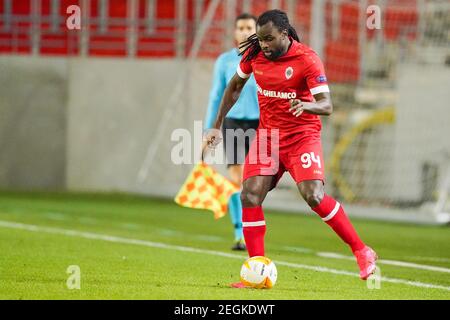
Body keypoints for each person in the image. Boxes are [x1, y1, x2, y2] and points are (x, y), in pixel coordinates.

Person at [204, 9, 378, 286]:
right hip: (267, 137)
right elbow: (234, 86)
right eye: (260, 39)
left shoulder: (307, 59)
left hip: (302, 136)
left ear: (285, 34)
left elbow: (327, 105)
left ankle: (361, 250)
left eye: (269, 38)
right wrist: (216, 124)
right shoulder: (254, 54)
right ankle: (255, 270)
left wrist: (307, 104)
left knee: (314, 196)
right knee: (248, 195)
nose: (264, 45)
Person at [203, 13, 260, 251]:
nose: (245, 32)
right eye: (241, 27)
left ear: (257, 31)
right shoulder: (225, 61)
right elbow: (216, 95)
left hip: (260, 125)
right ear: (235, 32)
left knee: (255, 184)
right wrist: (210, 128)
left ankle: (252, 229)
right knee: (237, 180)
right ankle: (240, 232)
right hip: (233, 124)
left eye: (249, 27)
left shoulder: (265, 60)